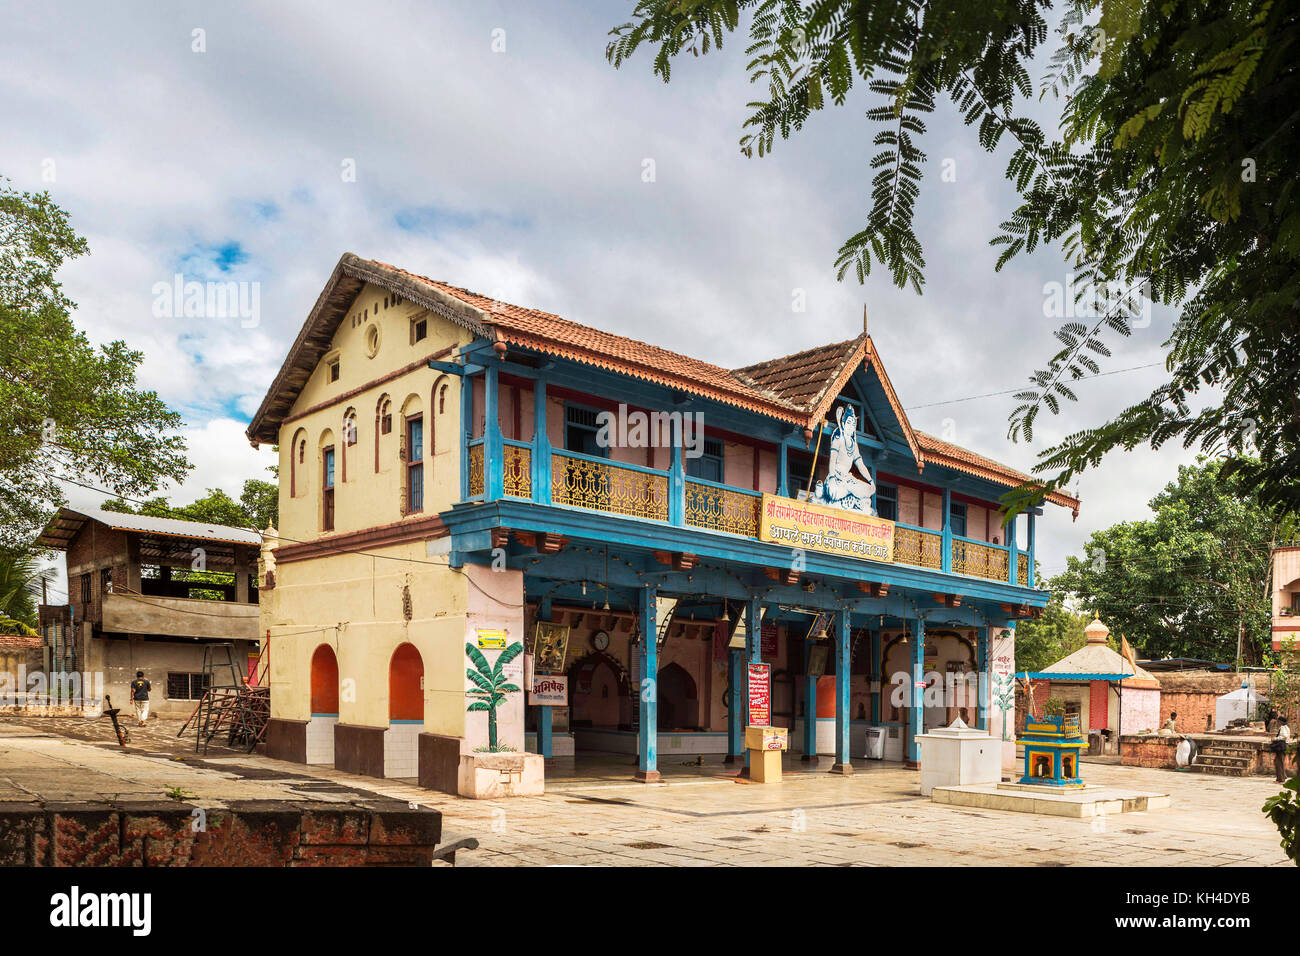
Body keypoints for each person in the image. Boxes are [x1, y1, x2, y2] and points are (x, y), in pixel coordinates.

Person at [814, 404, 877, 513]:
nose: (851, 426)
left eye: (853, 424)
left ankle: (849, 494)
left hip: (847, 479)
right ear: (843, 424)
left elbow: (861, 465)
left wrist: (871, 481)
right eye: (848, 422)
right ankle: (823, 491)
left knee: (868, 490)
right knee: (833, 492)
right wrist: (833, 477)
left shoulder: (853, 444)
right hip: (836, 476)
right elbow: (832, 459)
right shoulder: (838, 438)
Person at [1272, 714, 1293, 784]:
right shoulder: (1286, 727)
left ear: (1281, 722)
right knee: (1279, 761)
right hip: (1284, 745)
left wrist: (1275, 738)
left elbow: (1284, 736)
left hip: (1282, 745)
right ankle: (1283, 776)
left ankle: (1281, 779)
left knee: (1279, 762)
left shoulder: (1283, 728)